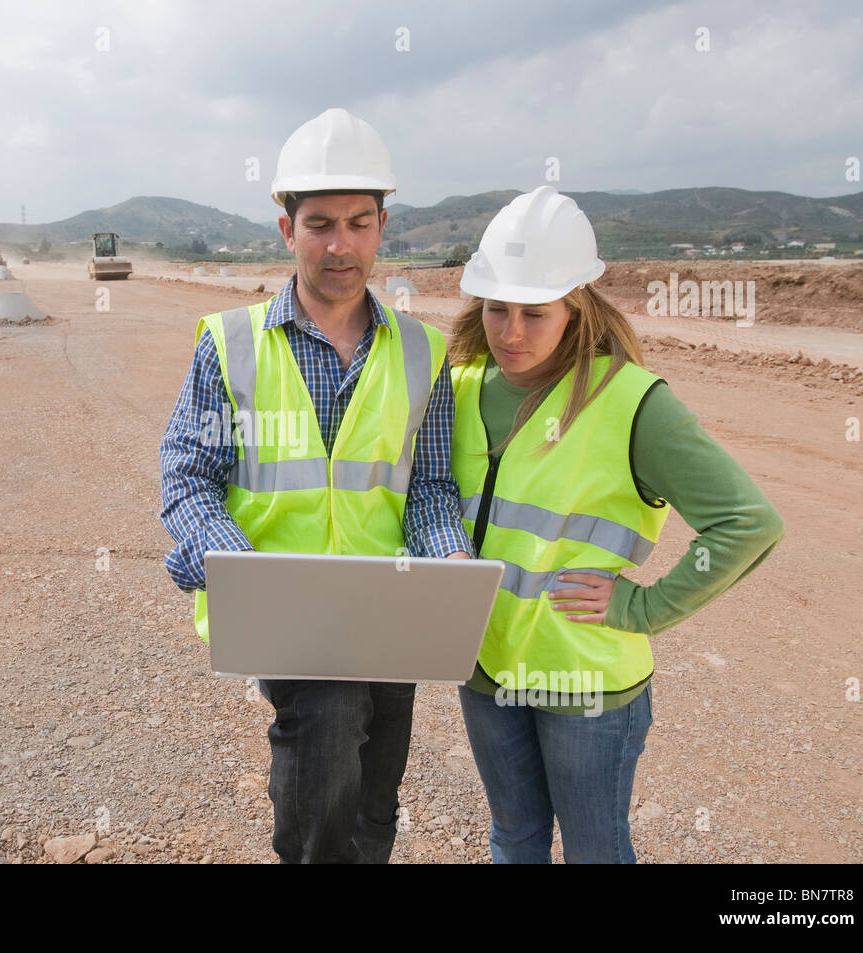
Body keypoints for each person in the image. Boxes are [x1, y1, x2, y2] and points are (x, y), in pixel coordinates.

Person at [159, 108, 472, 864]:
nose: (341, 244)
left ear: (382, 225)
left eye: (359, 224)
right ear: (286, 230)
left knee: (374, 790)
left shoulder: (425, 352)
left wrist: (449, 561)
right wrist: (242, 569)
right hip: (287, 613)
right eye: (321, 223)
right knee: (327, 733)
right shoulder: (230, 343)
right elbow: (188, 479)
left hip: (390, 607)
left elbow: (428, 486)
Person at [448, 185, 784, 864]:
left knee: (595, 849)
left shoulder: (631, 402)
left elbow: (749, 522)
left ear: (576, 308)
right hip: (483, 669)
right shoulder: (458, 387)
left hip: (586, 686)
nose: (511, 332)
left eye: (535, 314)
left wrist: (646, 604)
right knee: (513, 839)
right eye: (496, 310)